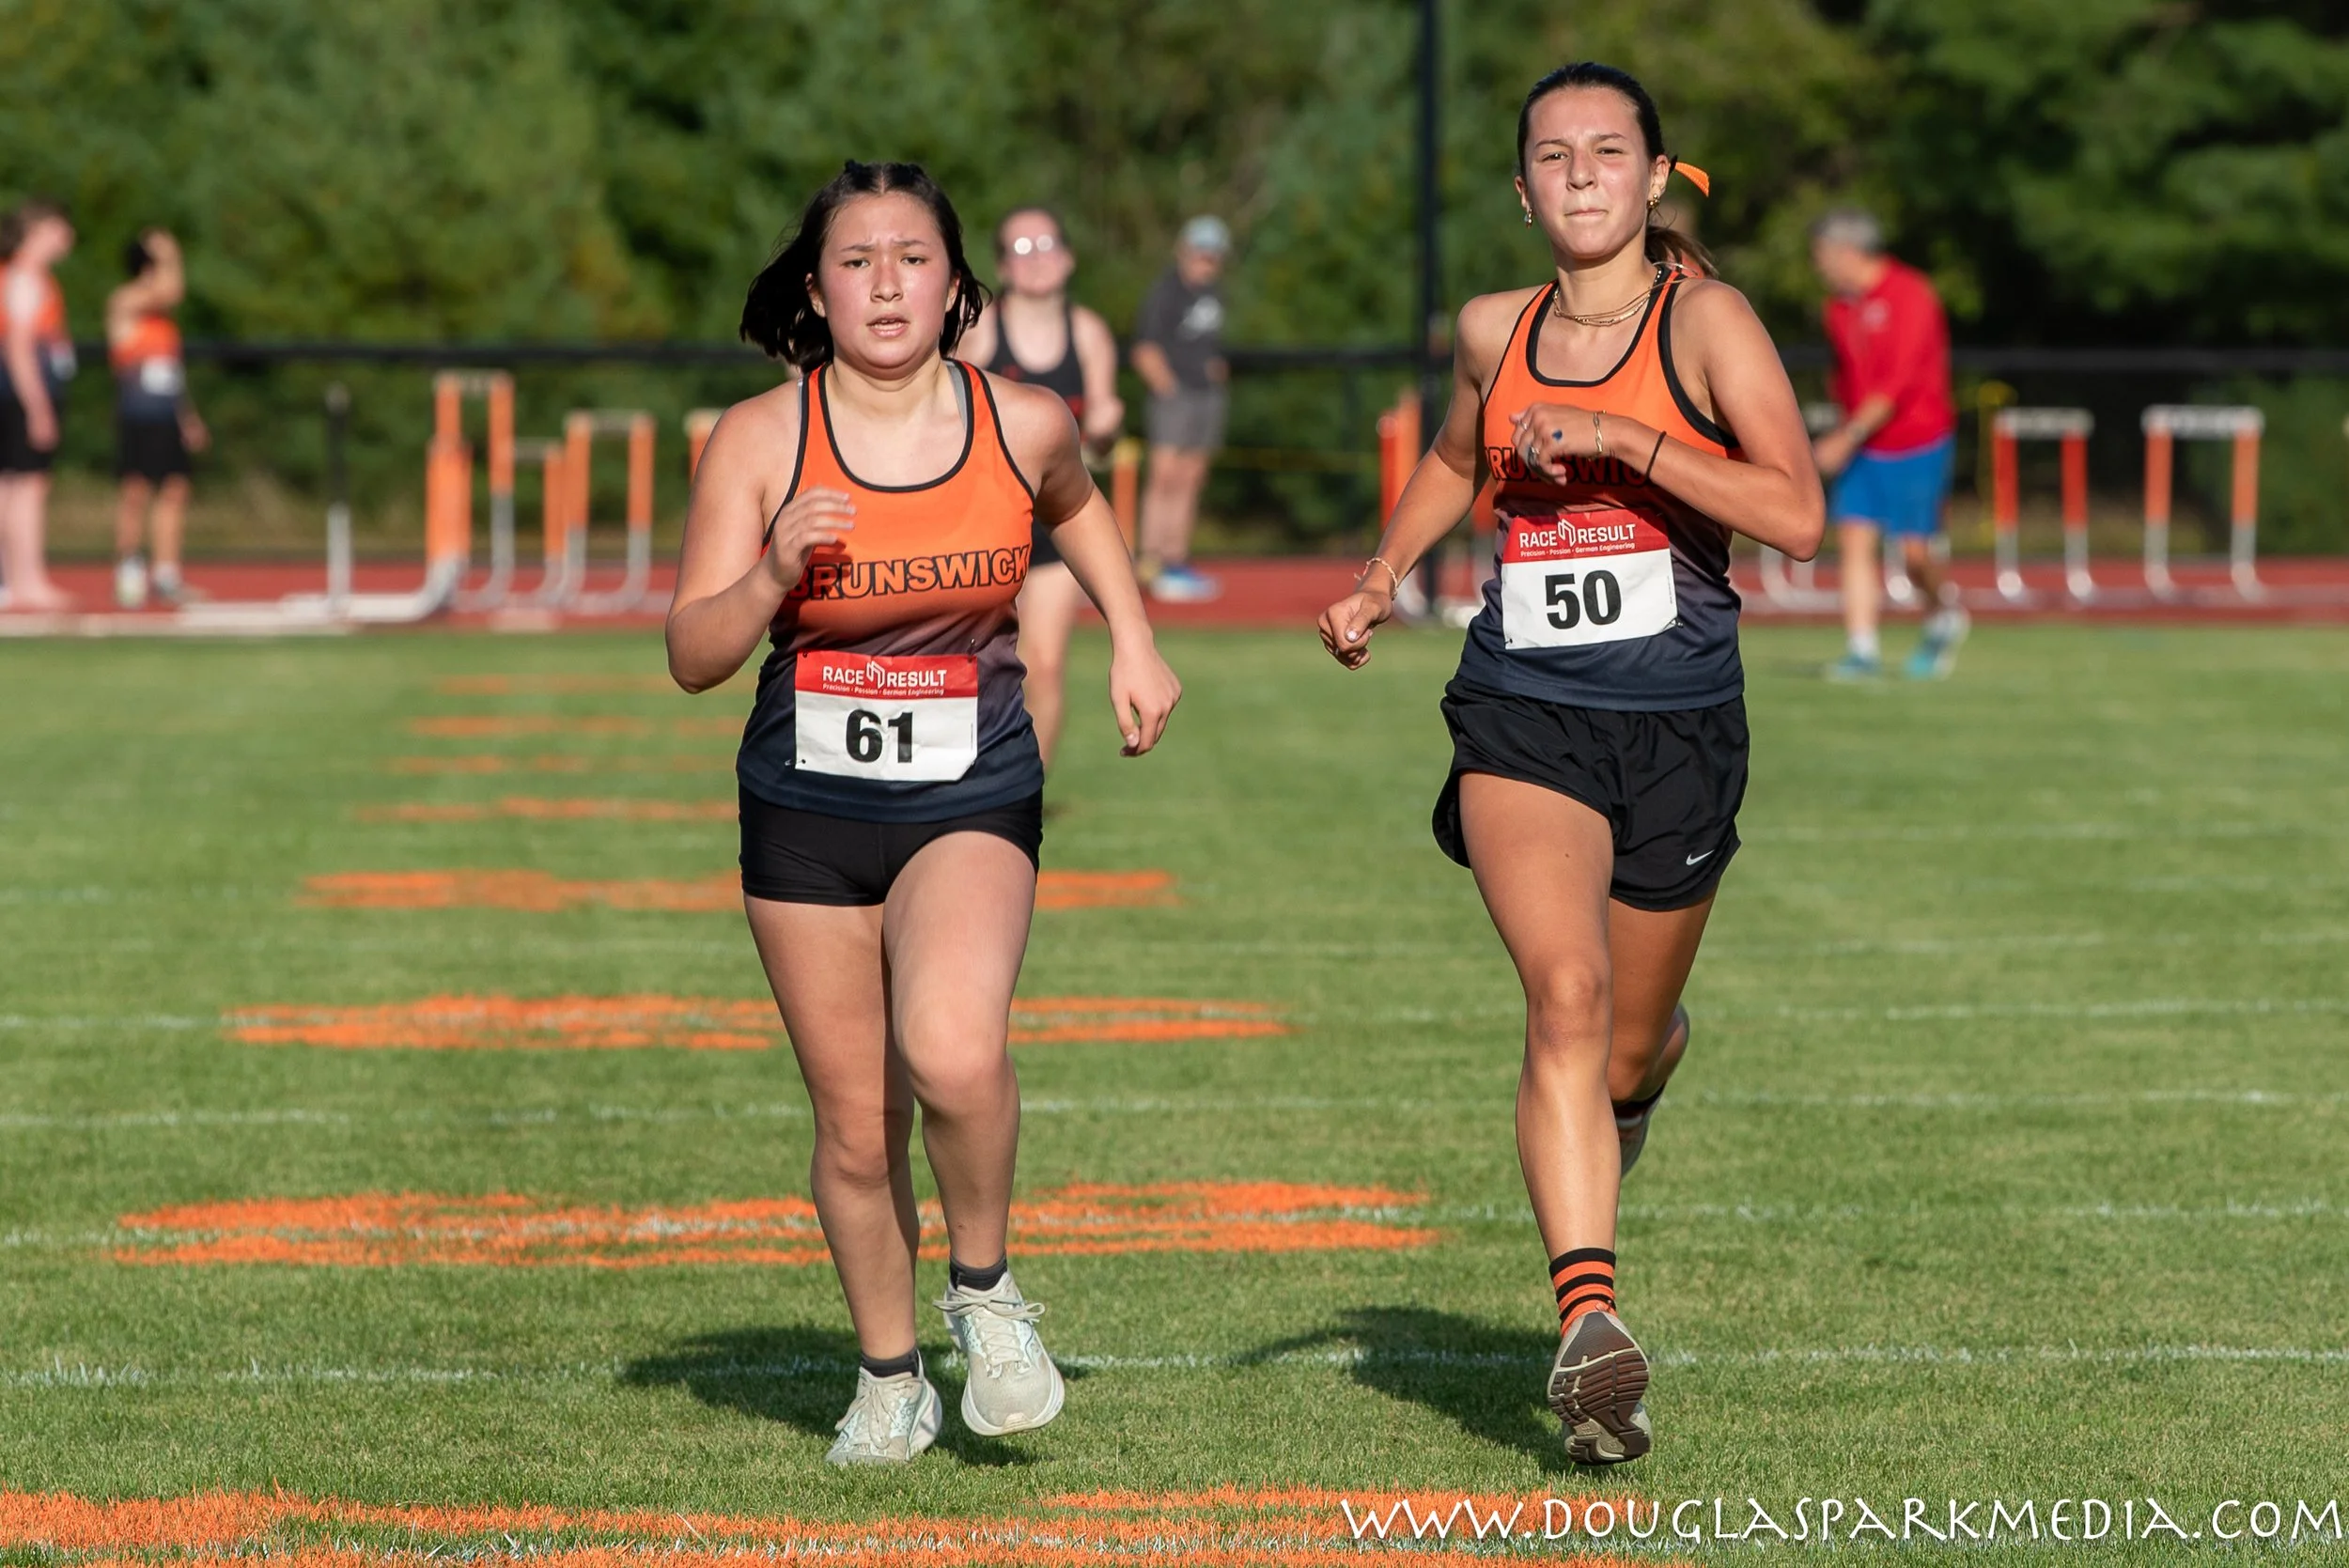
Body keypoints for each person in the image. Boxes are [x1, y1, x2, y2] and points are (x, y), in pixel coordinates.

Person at [1317, 63, 1823, 1465]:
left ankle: (1639, 1094)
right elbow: (1447, 458)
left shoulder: (1708, 321)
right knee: (1566, 991)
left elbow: (1797, 512)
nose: (1584, 174)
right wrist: (1379, 576)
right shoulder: (1496, 326)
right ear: (1524, 187)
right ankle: (1591, 1327)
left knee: (1626, 1045)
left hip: (1677, 728)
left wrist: (1624, 436)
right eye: (1555, 155)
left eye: (1610, 152)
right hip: (1520, 709)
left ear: (1657, 178)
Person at [666, 161, 1179, 1467]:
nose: (885, 283)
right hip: (805, 809)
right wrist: (772, 566)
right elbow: (691, 649)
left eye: (912, 258)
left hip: (971, 786)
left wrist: (1134, 638)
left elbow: (1078, 506)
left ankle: (990, 1293)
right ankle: (890, 1379)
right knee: (854, 1123)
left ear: (958, 286)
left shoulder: (1024, 420)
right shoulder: (758, 439)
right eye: (856, 260)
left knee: (951, 1051)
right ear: (816, 287)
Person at [957, 206, 1126, 768]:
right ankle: (960, 778)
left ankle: (1026, 788)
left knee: (1044, 664)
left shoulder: (1090, 333)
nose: (1037, 258)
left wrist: (1105, 428)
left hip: (1055, 524)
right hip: (981, 521)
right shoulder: (979, 331)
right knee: (973, 660)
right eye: (1022, 249)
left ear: (1070, 256)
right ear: (1003, 266)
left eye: (1047, 244)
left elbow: (1098, 447)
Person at [1809, 208, 1966, 680]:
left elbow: (1896, 385)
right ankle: (1862, 650)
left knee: (1915, 555)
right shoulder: (1837, 309)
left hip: (1917, 441)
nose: (1818, 266)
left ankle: (1945, 615)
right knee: (1855, 539)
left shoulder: (1911, 294)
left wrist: (1846, 435)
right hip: (1864, 447)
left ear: (1846, 252)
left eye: (1821, 255)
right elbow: (1846, 378)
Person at [108, 229, 210, 609]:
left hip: (167, 411)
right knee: (135, 490)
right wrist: (171, 254)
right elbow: (170, 291)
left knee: (175, 489)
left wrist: (189, 417)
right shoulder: (125, 301)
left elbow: (173, 373)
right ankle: (128, 568)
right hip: (137, 412)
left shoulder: (165, 323)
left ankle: (166, 573)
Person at [1131, 214, 1230, 604]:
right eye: (1200, 255)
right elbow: (1145, 348)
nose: (1206, 263)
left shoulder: (1214, 293)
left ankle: (1176, 558)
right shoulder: (1166, 292)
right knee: (1164, 476)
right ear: (1185, 253)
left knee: (1191, 477)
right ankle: (1151, 560)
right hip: (1177, 396)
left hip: (1207, 395)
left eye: (1213, 257)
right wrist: (1168, 388)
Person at [0, 199, 78, 612]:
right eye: (60, 230)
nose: (68, 239)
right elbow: (18, 346)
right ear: (41, 230)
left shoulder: (17, 276)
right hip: (19, 393)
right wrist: (38, 407)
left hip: (12, 392)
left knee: (10, 486)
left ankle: (11, 581)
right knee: (26, 487)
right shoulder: (26, 278)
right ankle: (27, 580)